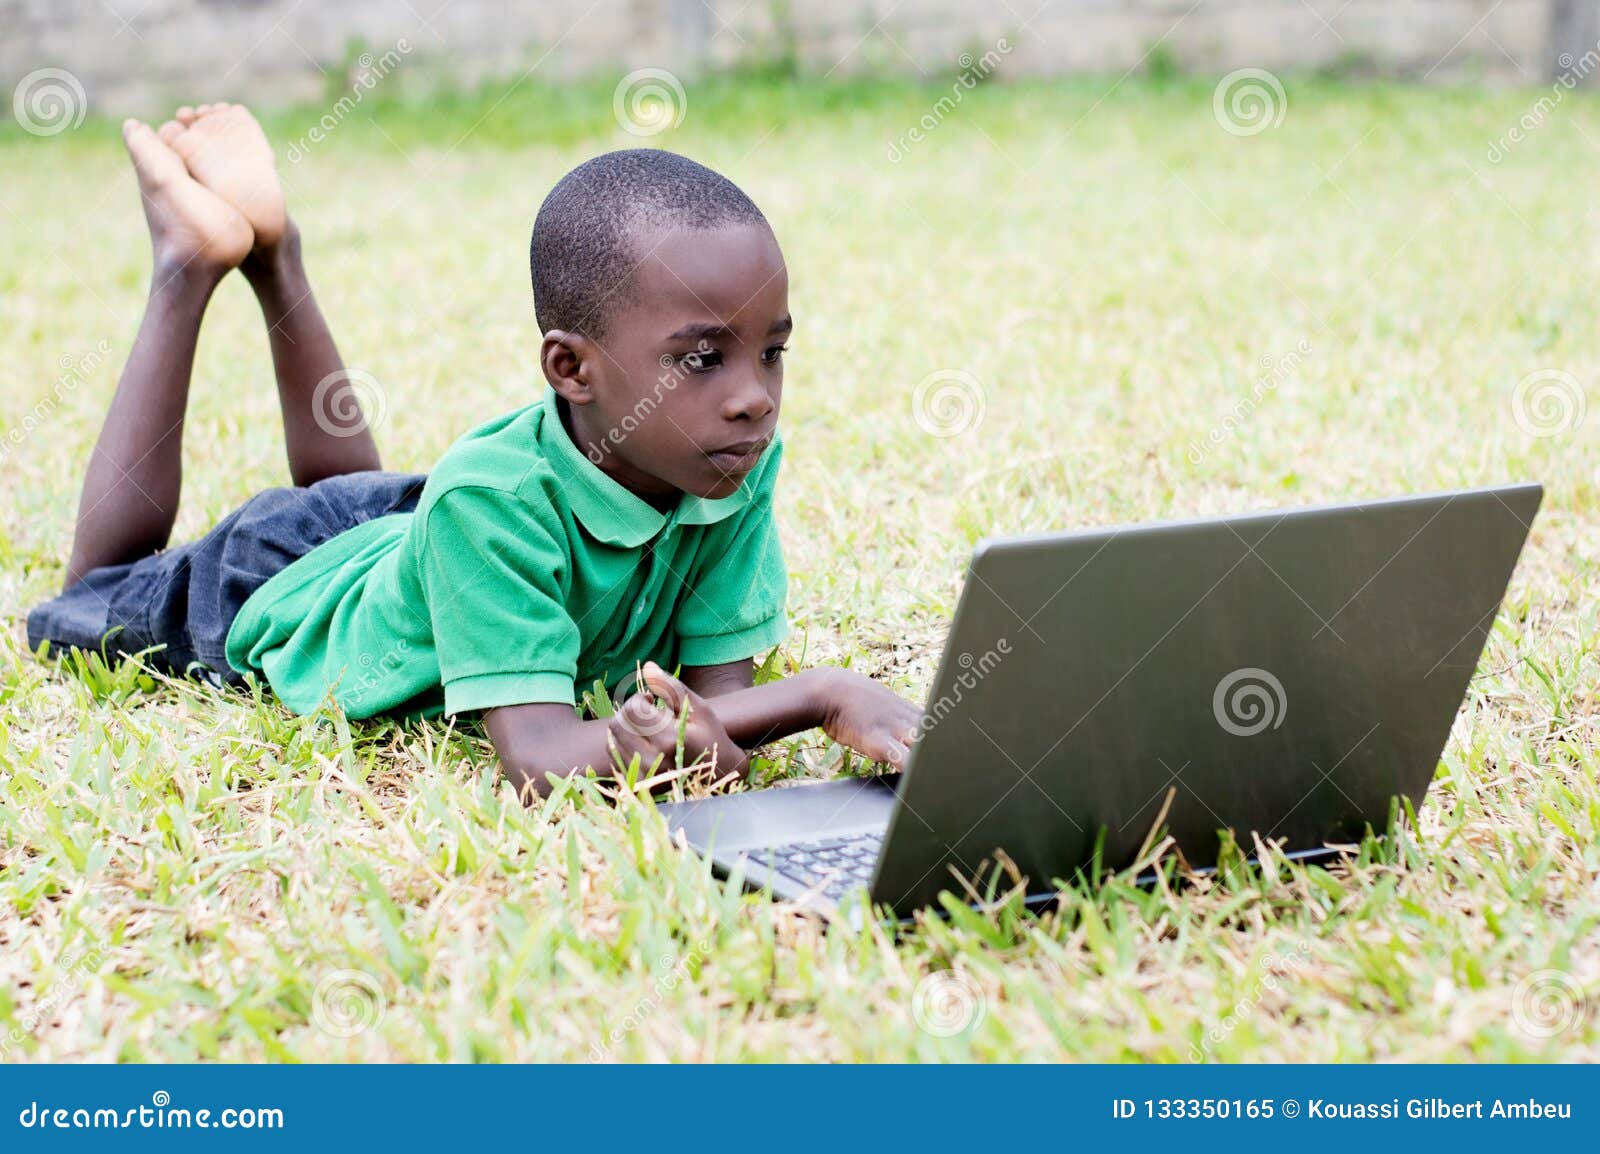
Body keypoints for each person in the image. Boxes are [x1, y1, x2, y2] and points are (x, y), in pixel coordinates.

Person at [28, 104, 922, 799]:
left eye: (772, 351)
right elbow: (536, 760)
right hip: (275, 581)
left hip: (408, 535)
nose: (752, 396)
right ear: (571, 369)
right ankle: (189, 260)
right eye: (701, 358)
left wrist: (704, 745)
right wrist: (826, 695)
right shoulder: (489, 503)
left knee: (369, 498)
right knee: (86, 601)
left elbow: (712, 714)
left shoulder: (731, 462)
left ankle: (275, 254)